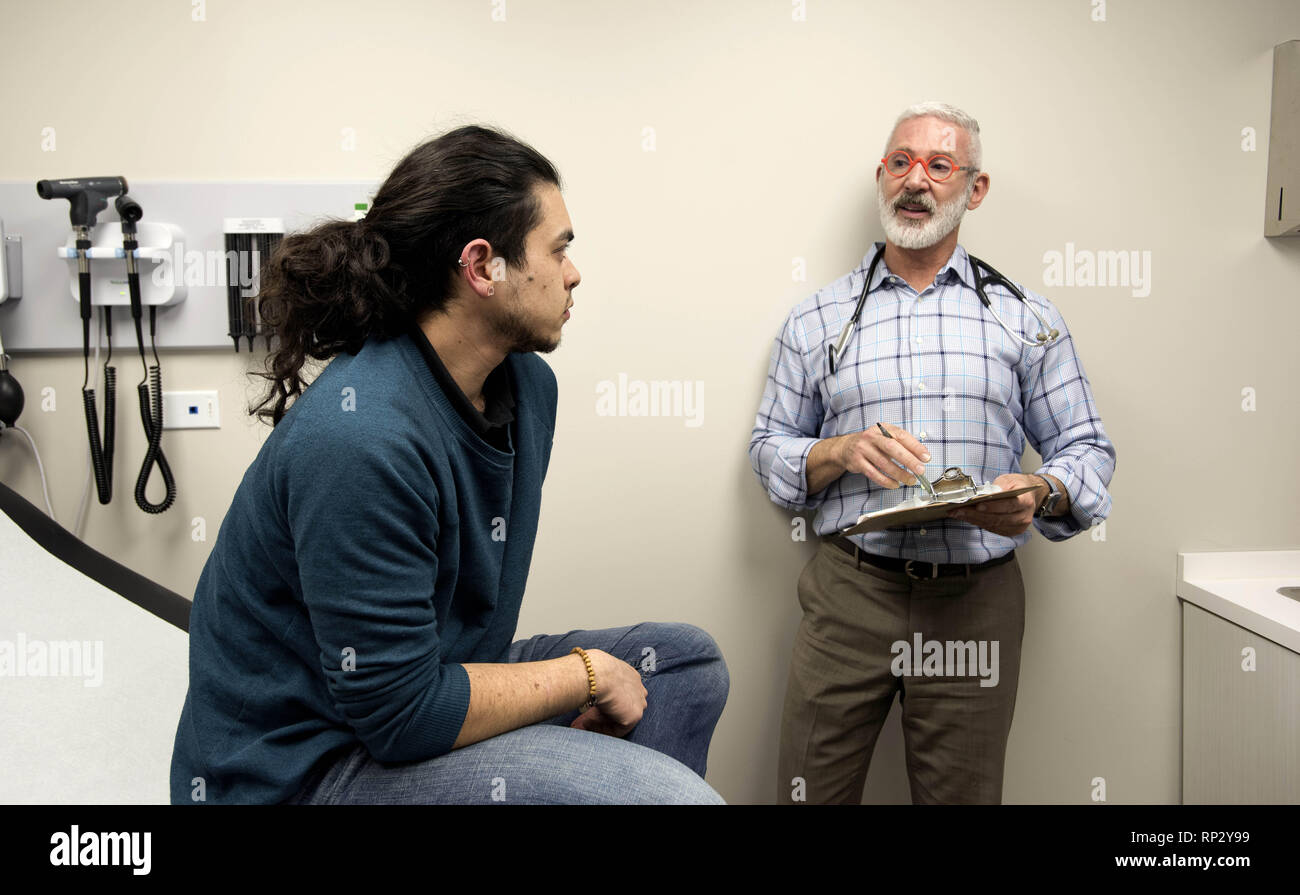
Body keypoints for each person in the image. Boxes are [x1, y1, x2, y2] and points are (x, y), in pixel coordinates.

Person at [170, 124, 729, 805]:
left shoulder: (528, 389)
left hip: (421, 686)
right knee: (669, 797)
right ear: (481, 266)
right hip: (303, 769)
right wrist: (582, 678)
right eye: (559, 251)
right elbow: (399, 716)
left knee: (685, 666)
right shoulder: (361, 438)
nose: (574, 273)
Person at [748, 102, 1116, 805]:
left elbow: (1088, 448)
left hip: (976, 600)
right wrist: (838, 450)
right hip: (849, 594)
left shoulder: (1027, 319)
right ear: (880, 177)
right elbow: (769, 450)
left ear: (973, 189)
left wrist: (1041, 493)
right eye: (900, 162)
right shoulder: (817, 318)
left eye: (939, 165)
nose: (915, 180)